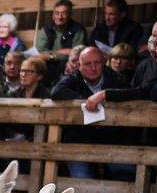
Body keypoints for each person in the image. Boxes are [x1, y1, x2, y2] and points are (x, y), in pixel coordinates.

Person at [52, 47, 131, 179]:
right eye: (88, 64)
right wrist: (87, 100)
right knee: (82, 177)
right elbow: (56, 92)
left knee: (124, 174)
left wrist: (104, 96)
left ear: (103, 63)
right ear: (79, 65)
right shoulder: (74, 77)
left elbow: (128, 93)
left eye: (97, 63)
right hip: (80, 139)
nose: (93, 68)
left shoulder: (117, 78)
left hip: (112, 140)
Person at [90, 16, 157, 107]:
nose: (155, 41)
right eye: (154, 36)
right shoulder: (146, 64)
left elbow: (150, 90)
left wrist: (106, 94)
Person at [36, 0, 87, 70]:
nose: (60, 17)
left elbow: (77, 53)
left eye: (63, 13)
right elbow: (39, 53)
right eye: (57, 13)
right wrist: (59, 53)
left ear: (69, 15)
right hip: (48, 66)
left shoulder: (77, 29)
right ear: (53, 15)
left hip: (69, 66)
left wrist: (50, 55)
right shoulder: (46, 29)